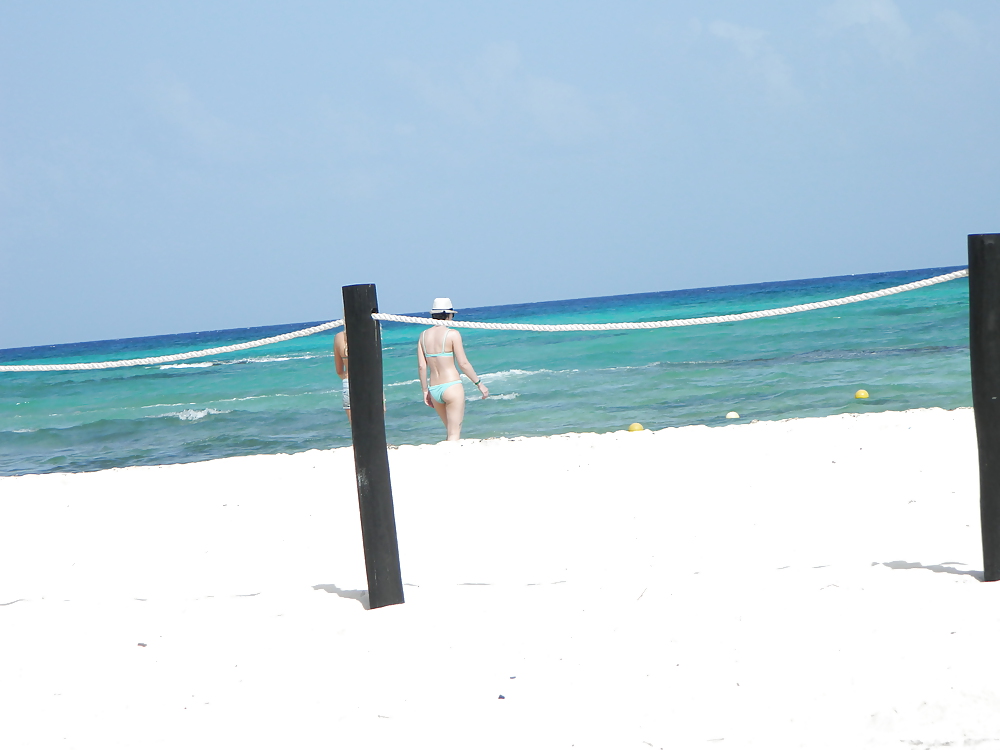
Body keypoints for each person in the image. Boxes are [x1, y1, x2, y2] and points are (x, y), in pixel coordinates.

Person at [417, 298, 488, 441]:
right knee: (454, 434)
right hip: (452, 386)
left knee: (450, 432)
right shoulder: (452, 334)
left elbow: (422, 366)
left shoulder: (423, 336)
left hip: (434, 387)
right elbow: (463, 363)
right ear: (448, 315)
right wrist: (479, 384)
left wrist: (425, 391)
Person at [333, 330, 351, 423]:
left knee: (356, 429)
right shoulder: (370, 332)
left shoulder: (338, 337)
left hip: (348, 384)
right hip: (370, 382)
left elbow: (339, 371)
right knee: (375, 429)